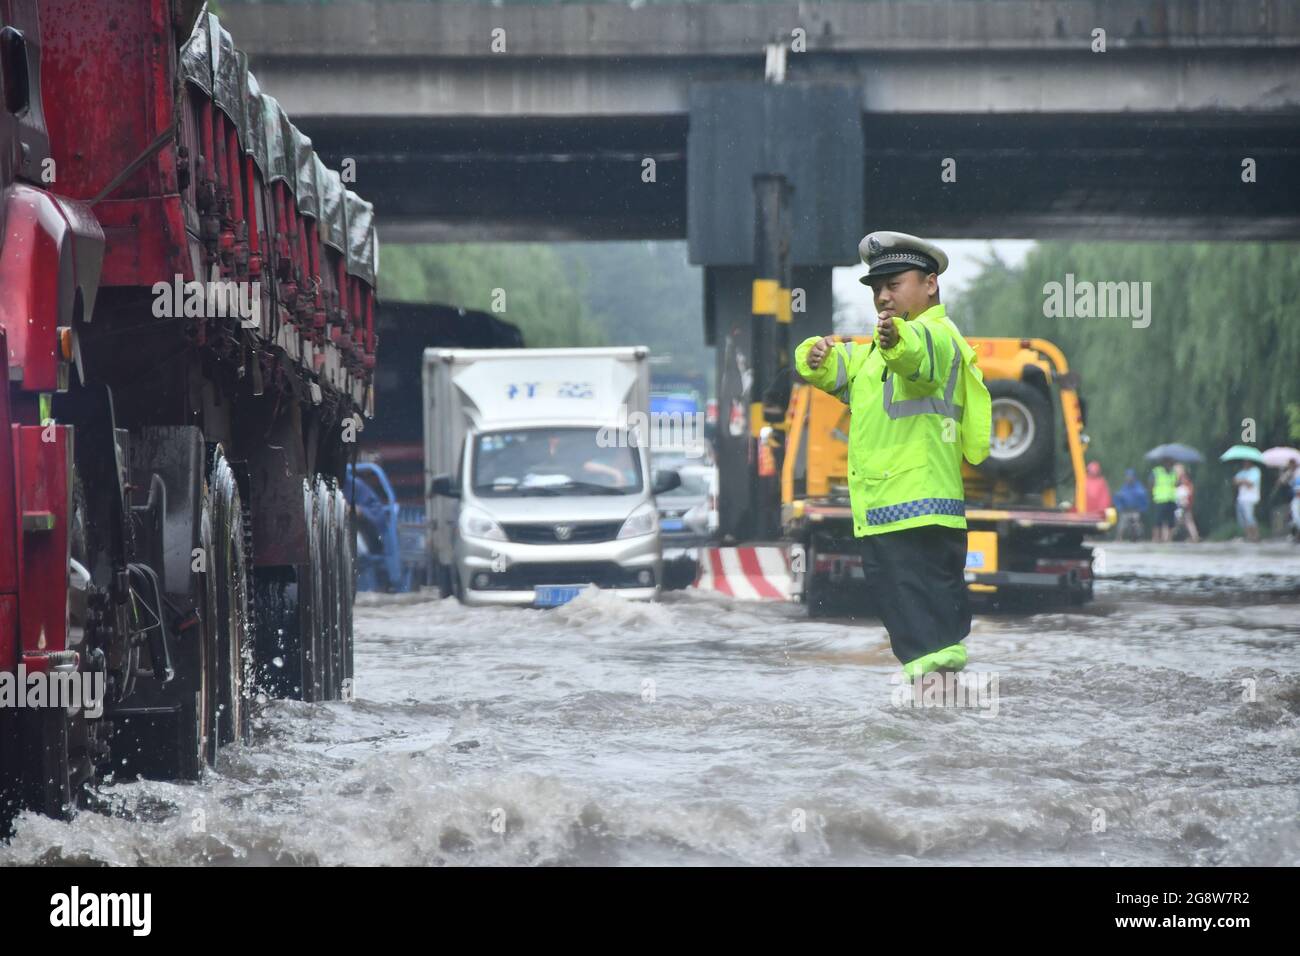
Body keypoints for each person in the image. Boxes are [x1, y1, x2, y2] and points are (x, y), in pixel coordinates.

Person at [795, 231, 991, 681]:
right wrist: (817, 355)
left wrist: (897, 341)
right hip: (894, 510)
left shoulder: (937, 336)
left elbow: (917, 362)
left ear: (930, 284)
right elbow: (840, 370)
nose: (882, 296)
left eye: (894, 284)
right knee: (928, 635)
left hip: (914, 512)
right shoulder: (877, 351)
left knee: (927, 643)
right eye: (876, 288)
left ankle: (934, 733)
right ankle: (945, 731)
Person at [1112, 468, 1149, 541]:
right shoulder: (1124, 487)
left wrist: (1142, 509)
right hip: (1125, 510)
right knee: (1122, 524)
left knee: (1136, 523)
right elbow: (1118, 497)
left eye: (1130, 476)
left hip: (1135, 510)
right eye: (1127, 476)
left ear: (1134, 477)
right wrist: (1119, 507)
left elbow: (1143, 498)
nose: (1128, 478)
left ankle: (1139, 537)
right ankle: (1118, 538)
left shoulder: (1139, 487)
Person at [1149, 458, 1178, 543]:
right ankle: (1156, 538)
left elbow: (1176, 484)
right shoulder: (1157, 471)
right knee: (1158, 521)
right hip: (1160, 499)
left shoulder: (1174, 472)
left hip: (1171, 499)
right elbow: (1151, 483)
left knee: (1171, 521)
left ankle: (1169, 539)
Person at [1233, 460, 1262, 542]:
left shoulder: (1255, 471)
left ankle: (1256, 535)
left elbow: (1250, 483)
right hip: (1241, 498)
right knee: (1242, 519)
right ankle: (1249, 536)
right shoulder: (1242, 472)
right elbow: (1235, 481)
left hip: (1250, 498)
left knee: (1249, 517)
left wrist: (1241, 481)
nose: (1245, 463)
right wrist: (1244, 481)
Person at [1173, 462, 1200, 543]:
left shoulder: (1182, 480)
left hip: (1182, 503)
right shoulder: (1182, 480)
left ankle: (1168, 538)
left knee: (1179, 522)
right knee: (1187, 521)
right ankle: (1194, 537)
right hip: (1183, 503)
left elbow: (1186, 492)